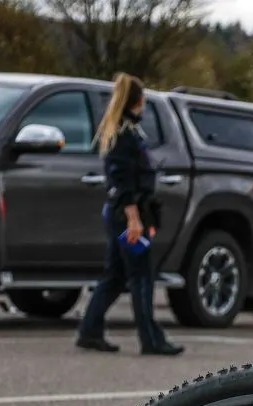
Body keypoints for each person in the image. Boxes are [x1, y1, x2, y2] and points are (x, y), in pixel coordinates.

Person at [76, 72, 182, 355]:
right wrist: (135, 220)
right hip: (127, 215)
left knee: (115, 276)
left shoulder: (123, 133)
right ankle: (151, 339)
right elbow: (124, 182)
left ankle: (90, 329)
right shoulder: (126, 136)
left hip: (121, 213)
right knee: (141, 277)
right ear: (138, 101)